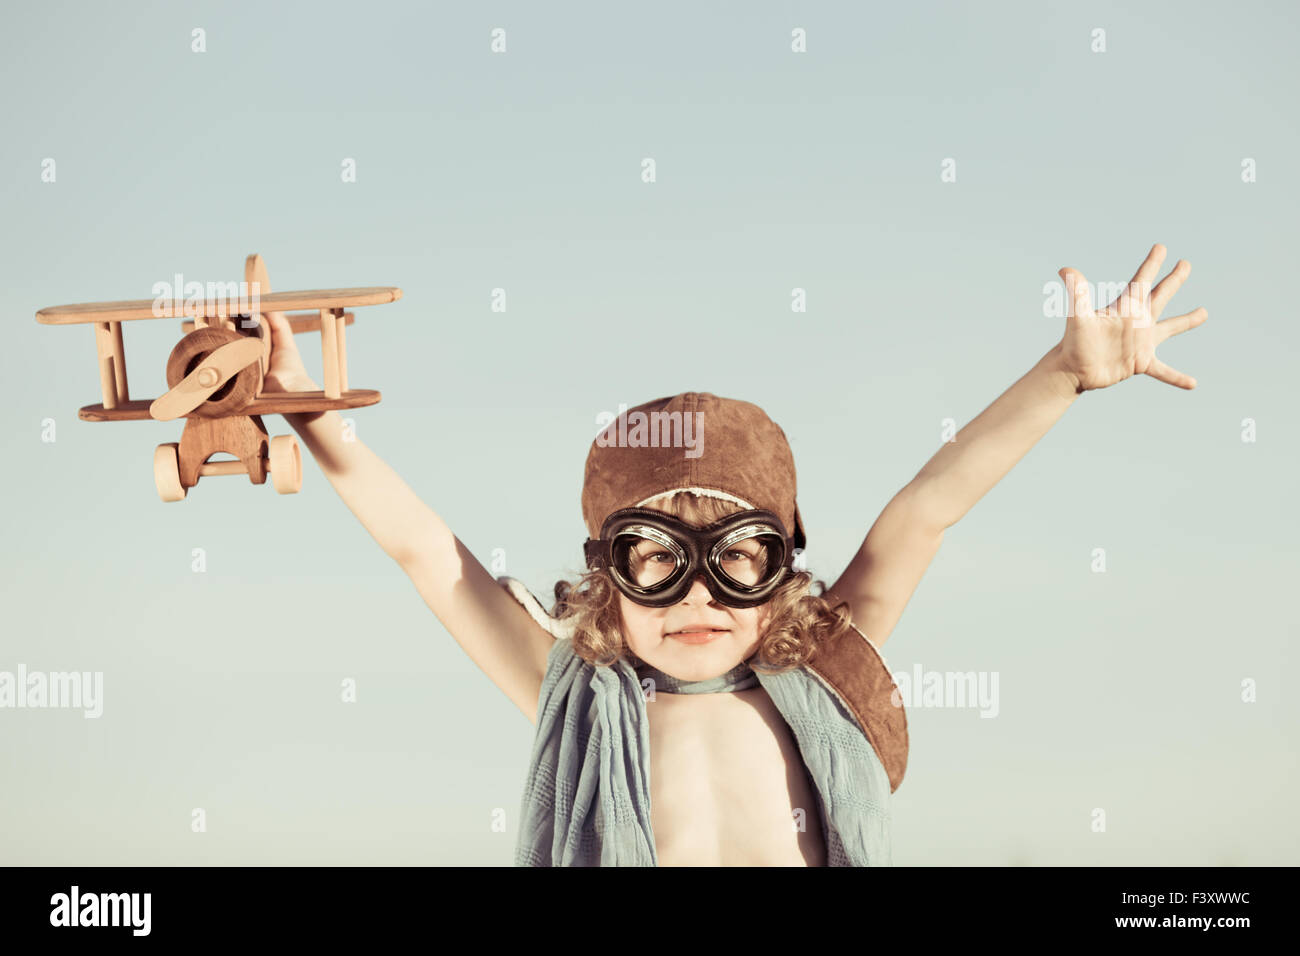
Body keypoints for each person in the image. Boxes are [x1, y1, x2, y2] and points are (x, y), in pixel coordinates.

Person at [260, 244, 1207, 866]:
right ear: (607, 581)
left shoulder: (829, 666)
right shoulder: (579, 691)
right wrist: (315, 423)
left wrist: (1066, 374)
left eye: (740, 558)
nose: (696, 597)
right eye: (655, 563)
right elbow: (431, 556)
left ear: (783, 567)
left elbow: (926, 511)